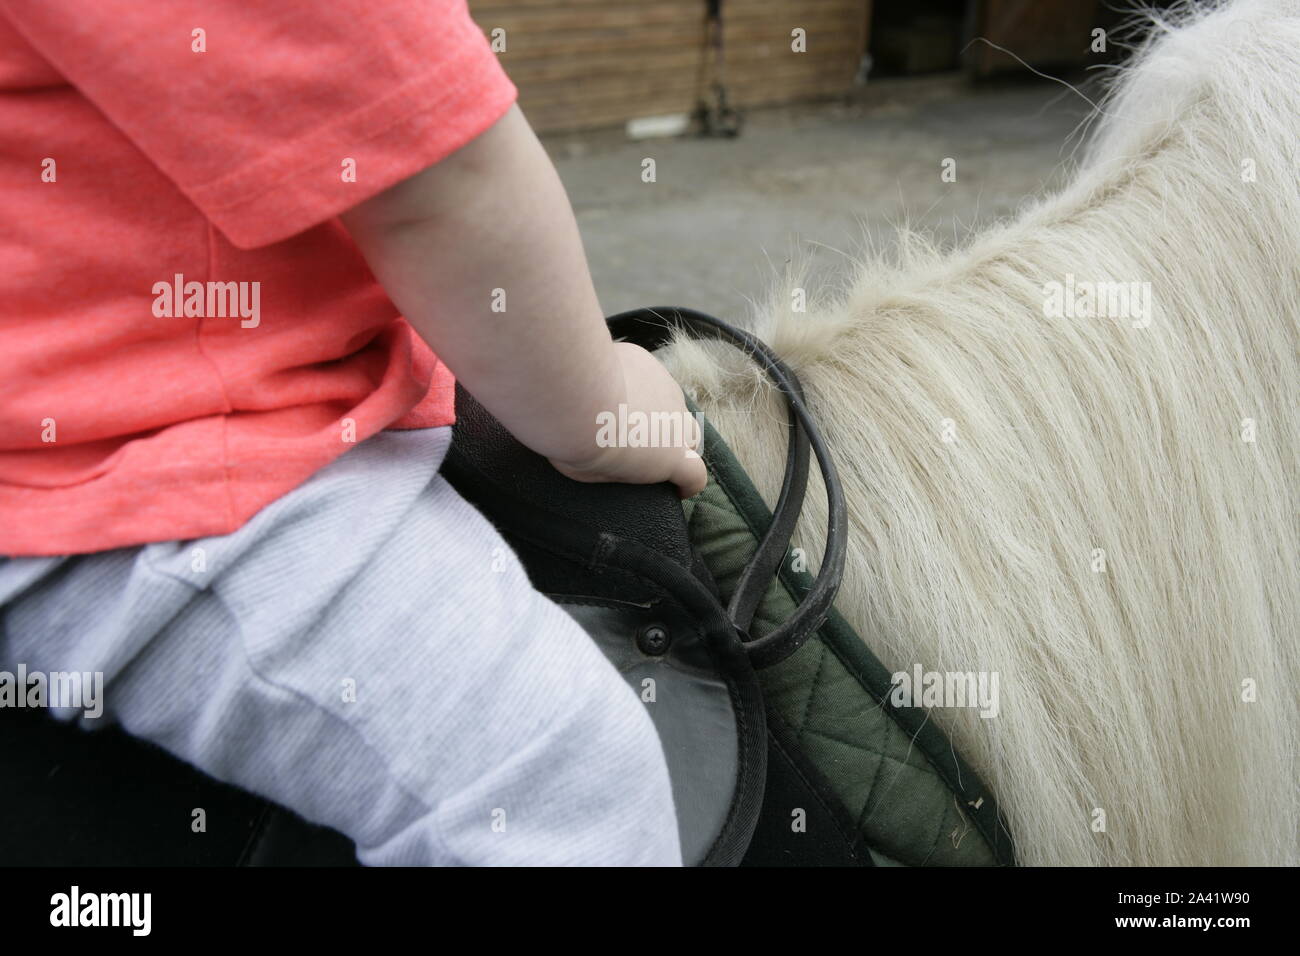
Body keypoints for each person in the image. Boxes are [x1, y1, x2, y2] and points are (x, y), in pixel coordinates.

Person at [0, 0, 705, 865]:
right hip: (130, 470)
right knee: (564, 780)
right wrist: (596, 410)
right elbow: (442, 180)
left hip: (82, 415)